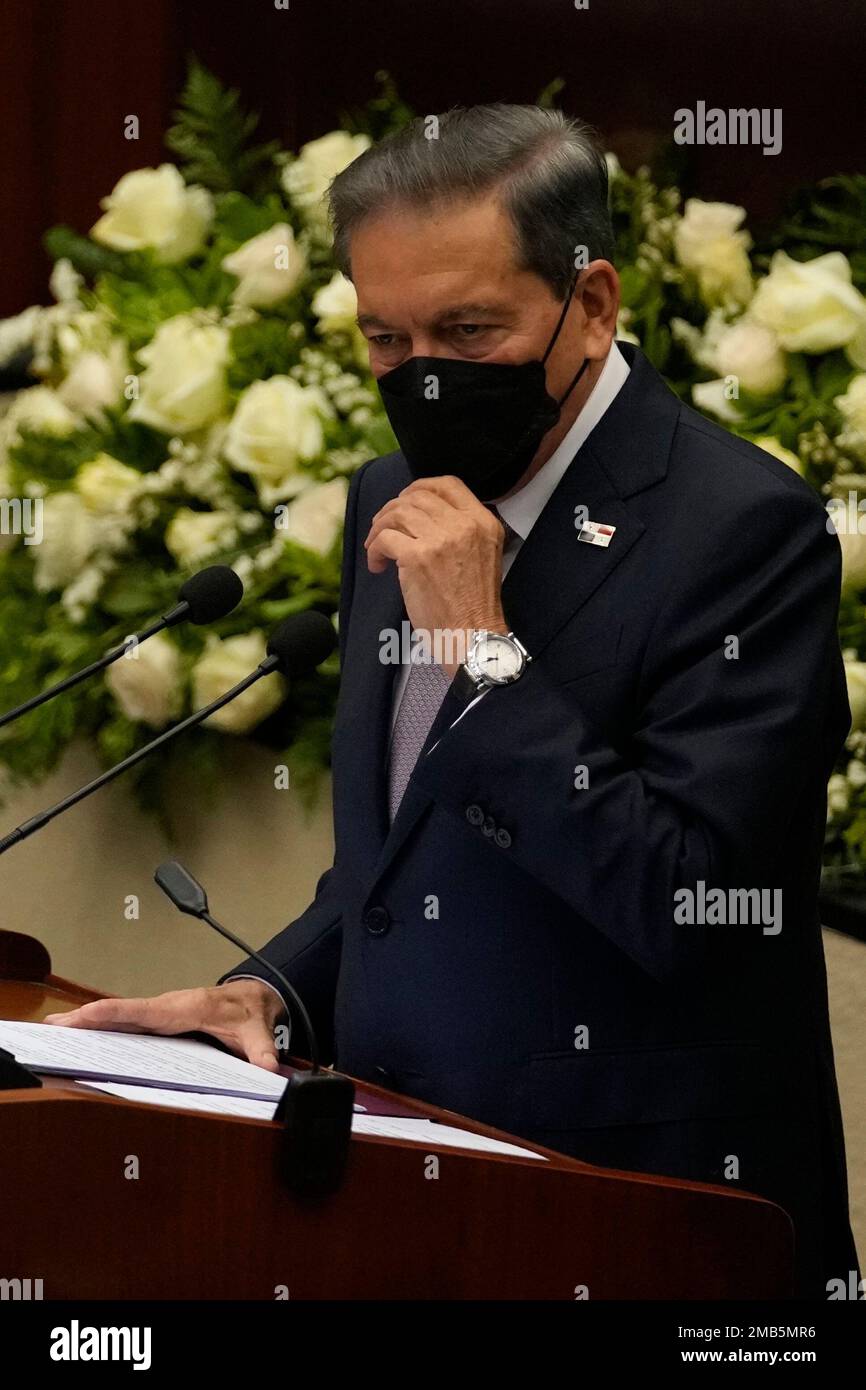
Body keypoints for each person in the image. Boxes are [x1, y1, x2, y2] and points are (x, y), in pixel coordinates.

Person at [48, 104, 858, 1298]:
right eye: (385, 338)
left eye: (467, 330)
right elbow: (401, 861)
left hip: (640, 1220)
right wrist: (263, 990)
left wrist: (482, 648)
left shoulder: (742, 532)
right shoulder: (399, 488)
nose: (420, 379)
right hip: (401, 1190)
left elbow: (692, 904)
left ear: (590, 304)